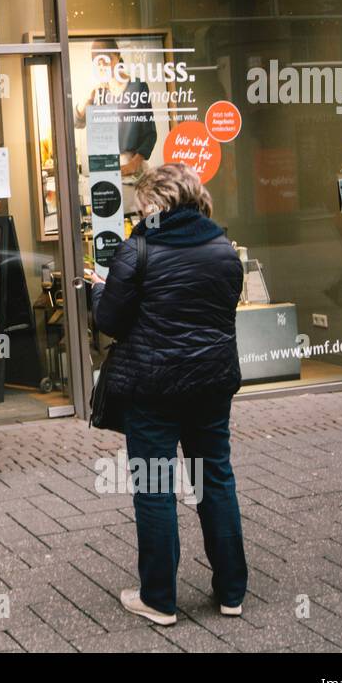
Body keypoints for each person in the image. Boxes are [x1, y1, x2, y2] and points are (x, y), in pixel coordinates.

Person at [86, 162, 248, 625]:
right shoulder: (222, 247)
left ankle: (159, 598)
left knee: (155, 487)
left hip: (152, 387)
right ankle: (232, 591)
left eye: (141, 205)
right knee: (216, 479)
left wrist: (98, 293)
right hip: (211, 384)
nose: (138, 213)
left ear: (155, 203)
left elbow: (111, 322)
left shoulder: (137, 250)